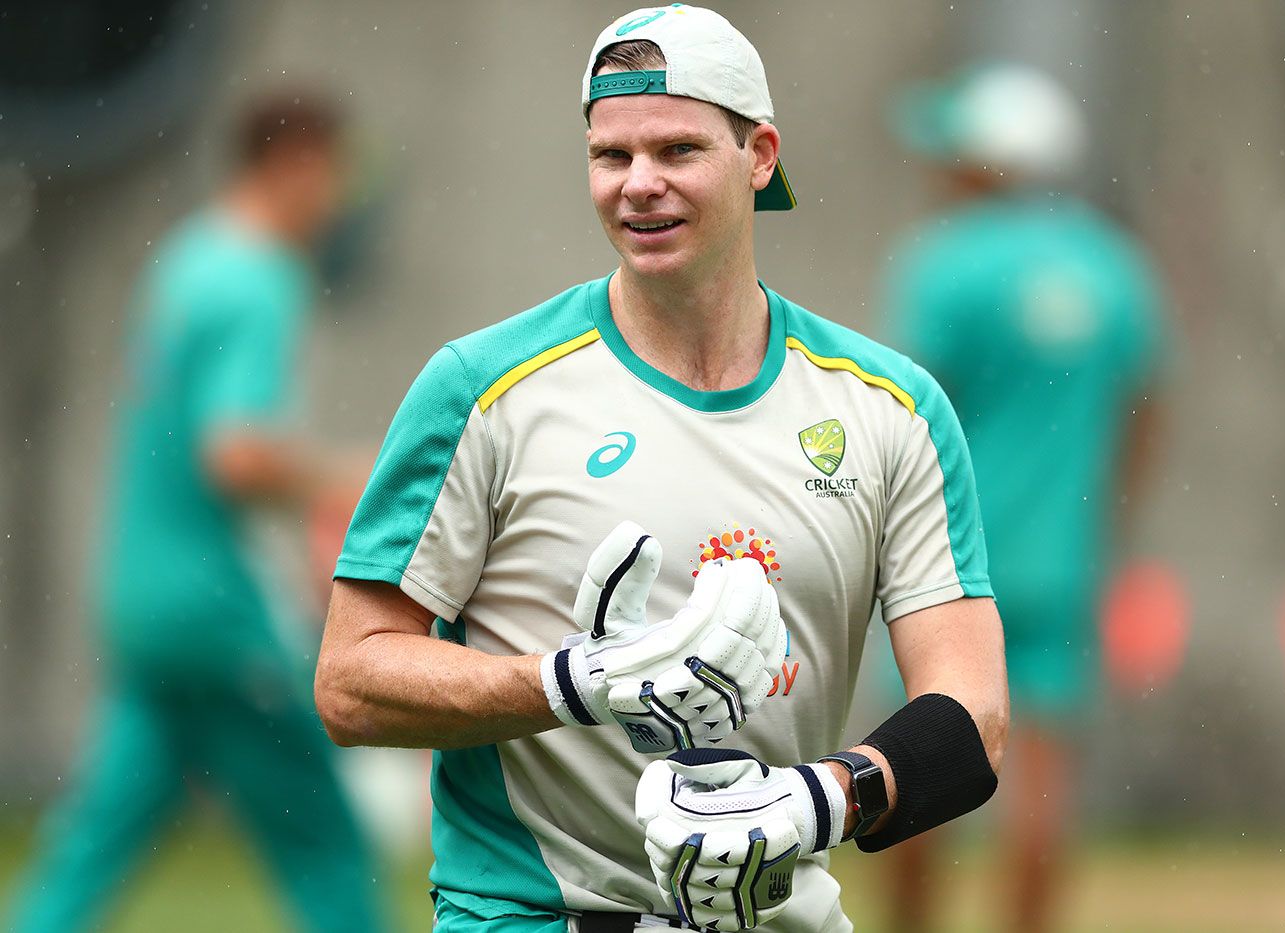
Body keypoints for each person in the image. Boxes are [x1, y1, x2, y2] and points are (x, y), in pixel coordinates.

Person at [315, 7, 1009, 932]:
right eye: (612, 156)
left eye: (678, 150)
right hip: (532, 914)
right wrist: (575, 682)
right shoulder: (480, 389)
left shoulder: (893, 408)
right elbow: (350, 681)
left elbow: (973, 713)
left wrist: (818, 801)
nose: (638, 185)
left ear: (760, 156)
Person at [5, 94, 384, 933]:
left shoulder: (189, 259)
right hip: (219, 615)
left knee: (96, 842)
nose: (338, 198)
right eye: (336, 175)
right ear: (297, 163)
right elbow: (236, 452)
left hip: (143, 600)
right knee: (323, 839)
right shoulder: (259, 278)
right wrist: (339, 477)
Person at [880, 64, 1167, 932]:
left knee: (918, 766)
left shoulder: (947, 262)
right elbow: (1145, 407)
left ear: (990, 167)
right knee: (1041, 781)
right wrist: (1103, 521)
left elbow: (910, 409)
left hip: (950, 563)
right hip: (1064, 555)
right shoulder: (1114, 266)